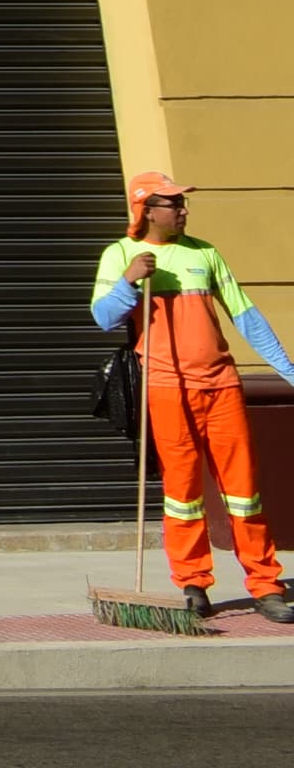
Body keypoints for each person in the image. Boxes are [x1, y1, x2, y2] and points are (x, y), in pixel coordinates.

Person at [92, 170, 294, 622]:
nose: (183, 210)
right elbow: (103, 317)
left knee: (245, 493)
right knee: (182, 494)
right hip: (165, 388)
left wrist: (289, 370)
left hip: (221, 385)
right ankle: (193, 584)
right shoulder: (121, 253)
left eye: (183, 204)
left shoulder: (204, 253)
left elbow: (245, 314)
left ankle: (266, 585)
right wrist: (129, 280)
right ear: (146, 210)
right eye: (173, 204)